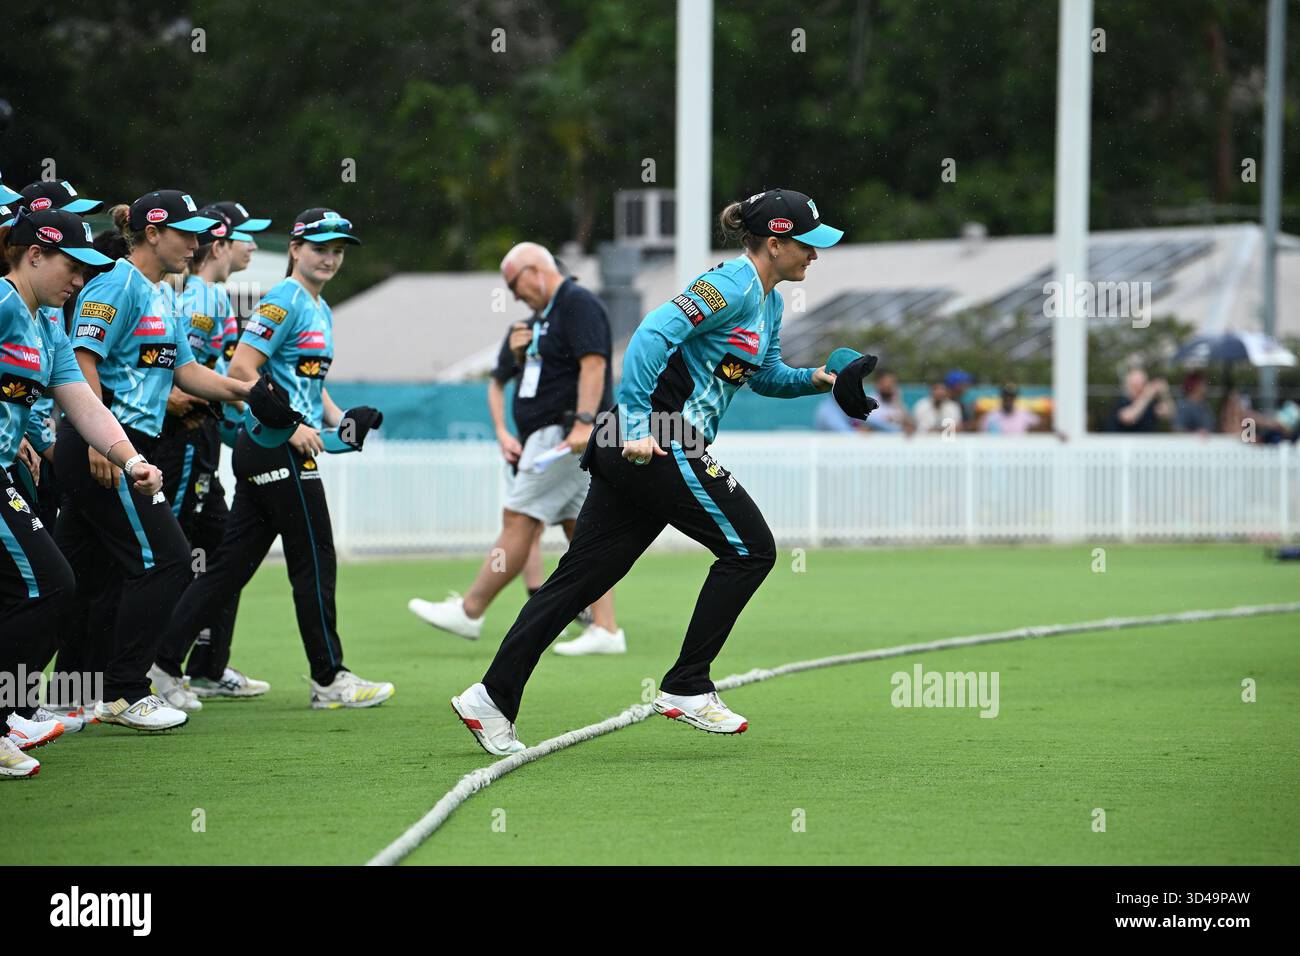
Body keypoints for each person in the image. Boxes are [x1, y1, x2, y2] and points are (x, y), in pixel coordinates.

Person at [450, 188, 843, 755]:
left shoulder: (770, 301)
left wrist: (818, 379)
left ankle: (491, 698)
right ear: (775, 242)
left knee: (578, 581)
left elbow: (763, 374)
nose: (815, 255)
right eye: (808, 244)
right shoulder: (730, 285)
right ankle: (686, 685)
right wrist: (636, 425)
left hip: (640, 441)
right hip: (654, 437)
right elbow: (651, 335)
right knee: (751, 549)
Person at [156, 209, 394, 710]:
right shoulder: (284, 299)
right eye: (319, 248)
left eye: (338, 250)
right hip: (273, 446)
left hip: (274, 446)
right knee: (314, 561)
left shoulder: (319, 306)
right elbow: (244, 369)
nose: (329, 258)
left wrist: (341, 424)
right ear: (294, 249)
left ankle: (160, 666)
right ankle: (329, 680)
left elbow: (311, 387)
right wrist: (294, 426)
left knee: (228, 569)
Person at [54, 190, 261, 731]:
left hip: (120, 448)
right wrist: (107, 446)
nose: (197, 244)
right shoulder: (115, 283)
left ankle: (62, 695)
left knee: (80, 576)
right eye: (186, 234)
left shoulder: (163, 295)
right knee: (169, 559)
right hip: (107, 448)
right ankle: (125, 691)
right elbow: (80, 361)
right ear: (151, 233)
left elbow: (186, 373)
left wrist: (245, 391)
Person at [0, 207, 166, 777]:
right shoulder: (1, 304)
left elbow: (83, 402)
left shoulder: (48, 325)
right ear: (34, 254)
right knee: (49, 586)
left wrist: (132, 459)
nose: (80, 280)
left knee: (50, 586)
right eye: (73, 267)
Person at [408, 242, 625, 654]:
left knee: (518, 519)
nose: (513, 295)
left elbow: (594, 363)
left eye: (514, 284)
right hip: (561, 435)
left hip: (562, 435)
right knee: (585, 533)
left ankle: (470, 611)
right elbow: (517, 376)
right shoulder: (542, 319)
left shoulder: (577, 303)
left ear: (533, 270)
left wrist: (582, 422)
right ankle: (608, 629)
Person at [150, 206, 269, 700]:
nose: (254, 247)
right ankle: (153, 670)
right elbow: (182, 370)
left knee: (213, 552)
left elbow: (212, 368)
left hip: (200, 431)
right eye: (247, 237)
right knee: (173, 552)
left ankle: (200, 665)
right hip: (173, 435)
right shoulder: (188, 293)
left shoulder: (213, 297)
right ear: (219, 243)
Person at [1108, 367, 1173, 432]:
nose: (1139, 387)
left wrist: (1164, 393)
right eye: (1135, 384)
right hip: (1123, 441)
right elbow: (1129, 418)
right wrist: (1147, 394)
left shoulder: (1150, 403)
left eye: (1142, 383)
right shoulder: (1122, 401)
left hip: (1147, 441)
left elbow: (1169, 414)